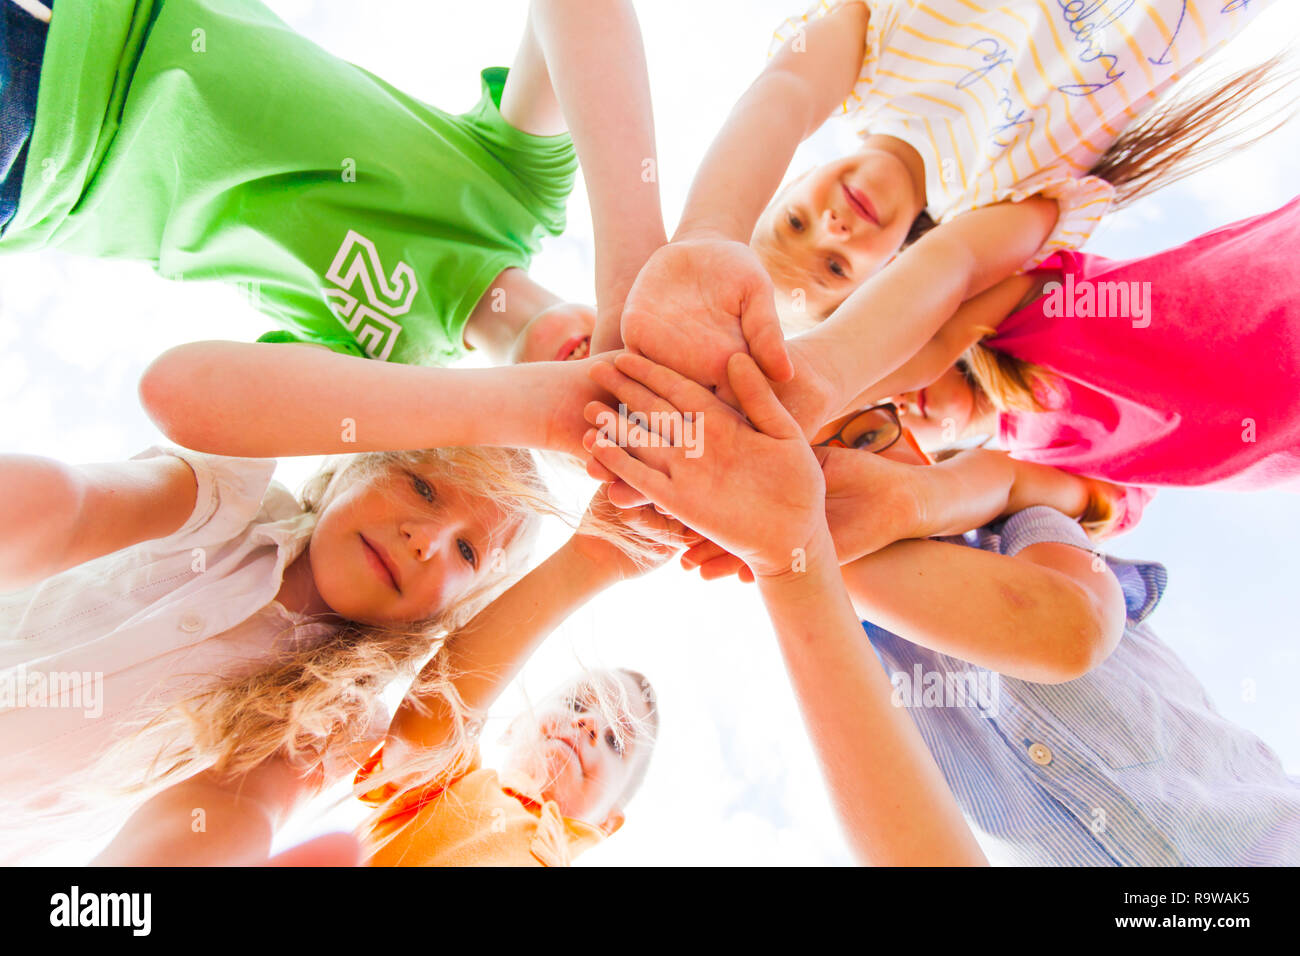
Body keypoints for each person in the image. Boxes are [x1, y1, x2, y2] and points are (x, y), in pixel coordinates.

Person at [613, 0, 1285, 441]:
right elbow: (950, 275)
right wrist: (825, 375)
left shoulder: (865, 52)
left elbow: (783, 94)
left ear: (785, 181)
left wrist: (710, 230)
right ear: (882, 278)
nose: (831, 230)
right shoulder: (996, 201)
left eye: (793, 223)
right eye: (837, 268)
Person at [0, 441, 554, 865]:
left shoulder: (342, 717)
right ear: (355, 465)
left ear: (456, 610)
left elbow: (236, 806)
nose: (425, 540)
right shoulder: (227, 499)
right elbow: (76, 509)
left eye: (466, 550)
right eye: (423, 487)